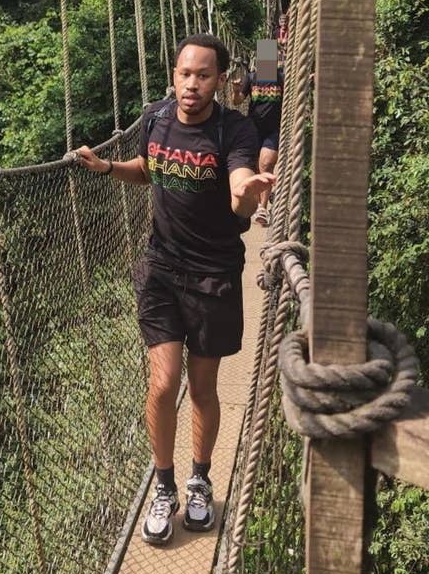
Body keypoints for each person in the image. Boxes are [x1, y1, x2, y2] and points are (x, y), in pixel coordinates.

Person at [77, 34, 274, 545]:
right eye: (185, 73)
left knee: (203, 388)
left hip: (214, 275)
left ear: (222, 81)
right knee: (164, 385)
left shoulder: (237, 129)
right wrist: (108, 169)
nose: (191, 84)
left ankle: (200, 480)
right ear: (175, 74)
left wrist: (248, 194)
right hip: (162, 268)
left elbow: (238, 186)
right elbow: (149, 169)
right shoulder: (156, 118)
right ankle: (163, 487)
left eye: (203, 75)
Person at [240, 37, 284, 227]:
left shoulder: (281, 78)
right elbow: (236, 101)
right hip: (253, 129)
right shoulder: (251, 78)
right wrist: (234, 90)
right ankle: (258, 203)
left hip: (273, 129)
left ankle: (263, 209)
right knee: (255, 168)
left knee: (266, 165)